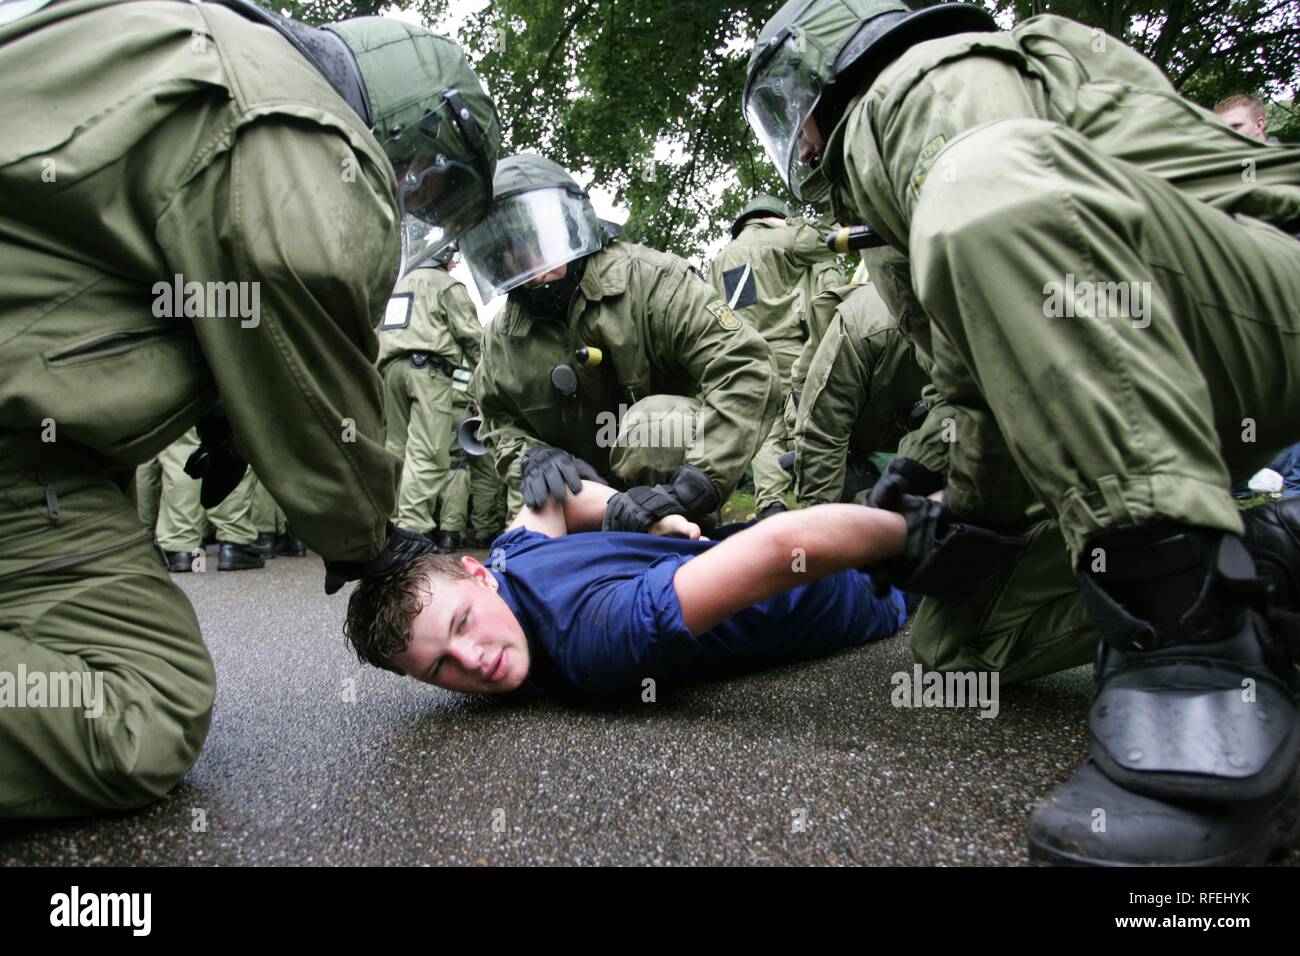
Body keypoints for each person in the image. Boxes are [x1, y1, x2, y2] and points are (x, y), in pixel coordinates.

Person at [742, 0, 1300, 864]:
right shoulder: (887, 203)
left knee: (983, 186)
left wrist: (976, 504)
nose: (796, 139)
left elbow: (1007, 220)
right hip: (1174, 363)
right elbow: (979, 378)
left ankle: (1189, 658)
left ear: (825, 77)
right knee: (954, 640)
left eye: (791, 110)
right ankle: (1260, 564)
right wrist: (936, 490)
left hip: (1264, 300)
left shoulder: (928, 84)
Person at [0, 0, 499, 817]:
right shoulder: (297, 116)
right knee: (140, 711)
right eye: (420, 187)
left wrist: (222, 393)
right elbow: (295, 269)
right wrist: (371, 542)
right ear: (403, 133)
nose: (404, 208)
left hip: (43, 449)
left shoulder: (215, 51)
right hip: (29, 436)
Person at [343, 480, 907, 698]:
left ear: (478, 573)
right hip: (798, 546)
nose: (473, 659)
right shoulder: (510, 558)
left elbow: (781, 550)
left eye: (462, 624)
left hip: (874, 587)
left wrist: (912, 535)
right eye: (440, 667)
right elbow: (552, 502)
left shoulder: (595, 641)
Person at [466, 154, 781, 531]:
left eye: (539, 240)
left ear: (568, 222)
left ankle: (671, 535)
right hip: (582, 504)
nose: (532, 266)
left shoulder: (650, 280)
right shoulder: (501, 339)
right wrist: (532, 457)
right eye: (512, 255)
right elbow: (497, 419)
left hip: (672, 490)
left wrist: (697, 485)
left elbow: (745, 365)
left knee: (656, 427)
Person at [707, 195, 843, 517]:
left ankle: (771, 506)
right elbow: (833, 236)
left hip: (742, 355)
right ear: (775, 217)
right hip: (790, 350)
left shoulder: (719, 260)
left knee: (765, 431)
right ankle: (821, 504)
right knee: (810, 422)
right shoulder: (785, 238)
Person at [791, 279, 929, 505]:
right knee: (861, 507)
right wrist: (821, 520)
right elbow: (823, 432)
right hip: (816, 418)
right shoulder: (865, 328)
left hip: (893, 421)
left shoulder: (978, 322)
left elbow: (952, 423)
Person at [379, 249, 483, 536]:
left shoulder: (398, 283)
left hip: (390, 369)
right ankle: (412, 530)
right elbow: (473, 337)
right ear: (444, 256)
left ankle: (390, 525)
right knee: (430, 453)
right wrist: (488, 380)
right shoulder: (446, 284)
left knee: (395, 450)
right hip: (428, 372)